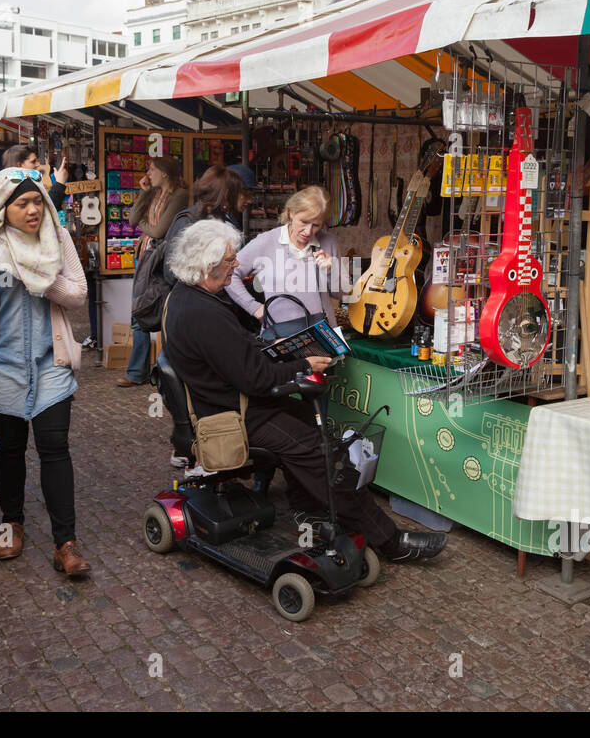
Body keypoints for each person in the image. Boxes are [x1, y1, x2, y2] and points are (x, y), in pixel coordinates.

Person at [163, 220, 447, 562]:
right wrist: (303, 365)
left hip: (227, 402)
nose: (236, 264)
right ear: (207, 266)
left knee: (310, 427)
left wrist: (275, 349)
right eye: (228, 260)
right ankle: (388, 541)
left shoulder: (183, 297)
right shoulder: (203, 313)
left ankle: (308, 509)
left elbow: (233, 359)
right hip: (233, 414)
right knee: (320, 451)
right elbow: (255, 378)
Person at [0, 160, 91, 577]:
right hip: (4, 371)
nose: (34, 211)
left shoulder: (58, 237)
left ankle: (64, 542)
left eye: (38, 201)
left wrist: (42, 277)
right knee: (8, 452)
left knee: (55, 451)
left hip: (52, 368)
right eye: (23, 204)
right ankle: (11, 522)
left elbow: (79, 294)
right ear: (2, 208)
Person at [226, 185, 340, 332]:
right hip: (280, 336)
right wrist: (254, 308)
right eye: (304, 221)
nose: (308, 231)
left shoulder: (328, 242)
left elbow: (339, 294)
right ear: (291, 212)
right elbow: (229, 273)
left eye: (316, 225)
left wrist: (332, 270)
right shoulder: (266, 242)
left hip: (324, 335)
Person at [117, 155, 185, 387]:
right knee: (140, 310)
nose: (148, 173)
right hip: (147, 257)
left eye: (152, 169)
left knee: (163, 313)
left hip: (164, 260)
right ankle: (138, 372)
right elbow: (132, 217)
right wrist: (145, 192)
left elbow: (159, 231)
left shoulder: (180, 196)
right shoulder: (154, 193)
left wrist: (146, 227)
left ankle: (164, 369)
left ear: (165, 173)